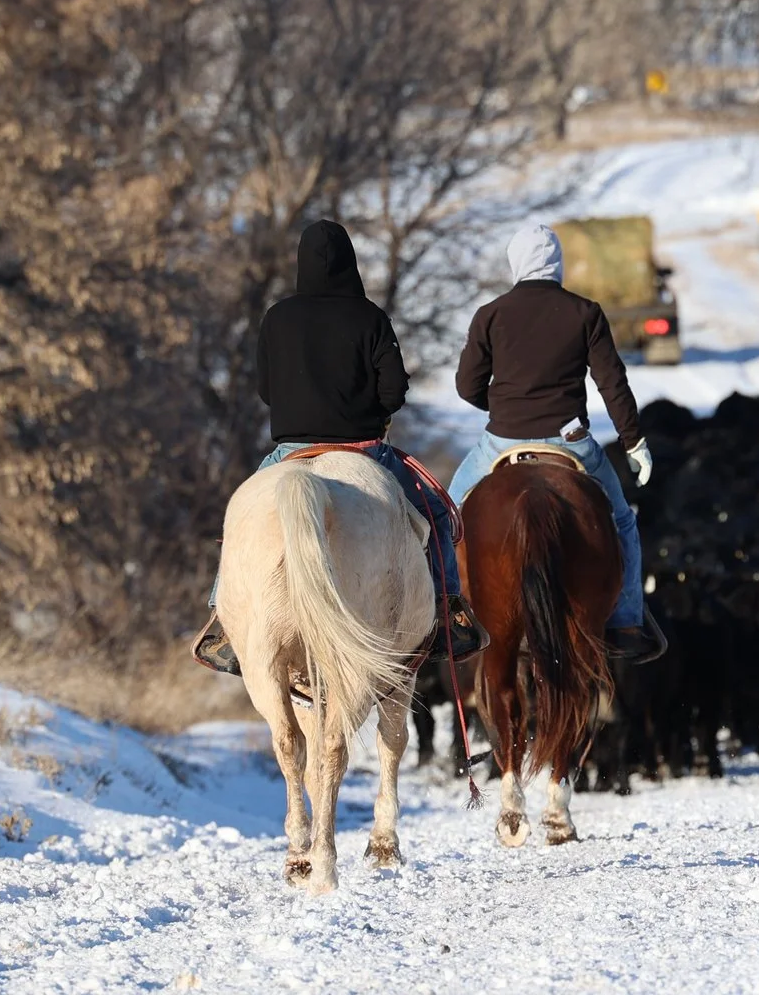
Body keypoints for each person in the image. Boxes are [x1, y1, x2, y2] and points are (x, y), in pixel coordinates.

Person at [194, 219, 487, 677]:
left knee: (240, 522)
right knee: (434, 512)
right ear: (350, 262)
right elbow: (394, 394)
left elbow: (267, 390)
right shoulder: (369, 317)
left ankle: (222, 623)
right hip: (364, 450)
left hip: (289, 452)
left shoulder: (277, 317)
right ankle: (450, 611)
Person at [447, 223, 668, 663]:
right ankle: (625, 620)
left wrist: (505, 406)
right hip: (571, 441)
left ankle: (451, 617)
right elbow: (612, 384)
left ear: (516, 263)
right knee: (623, 521)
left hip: (500, 440)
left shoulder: (490, 314)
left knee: (446, 517)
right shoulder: (585, 312)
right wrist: (633, 441)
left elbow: (466, 385)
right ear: (558, 264)